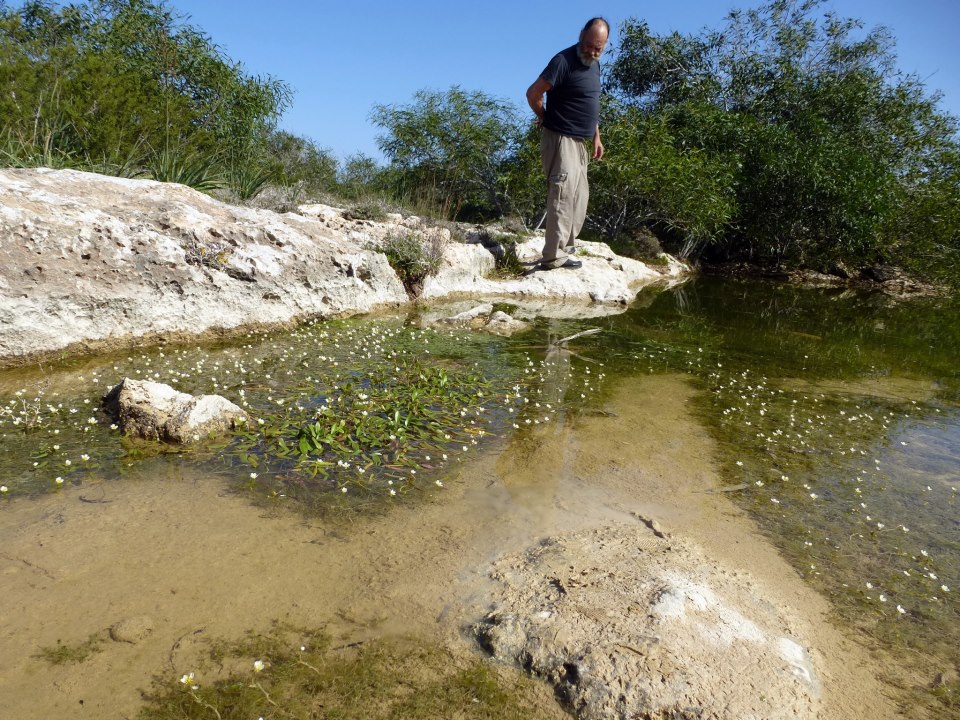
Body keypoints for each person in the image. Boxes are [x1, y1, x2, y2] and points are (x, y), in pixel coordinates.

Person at [526, 17, 608, 270]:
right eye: (589, 45)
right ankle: (553, 257)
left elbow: (588, 101)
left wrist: (596, 135)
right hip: (560, 138)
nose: (592, 51)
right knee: (561, 196)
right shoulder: (562, 61)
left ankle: (565, 249)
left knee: (579, 197)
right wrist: (544, 117)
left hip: (581, 142)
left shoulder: (593, 65)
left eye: (598, 48)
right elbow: (533, 93)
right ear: (581, 35)